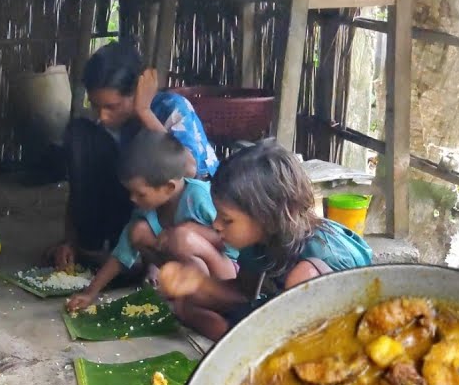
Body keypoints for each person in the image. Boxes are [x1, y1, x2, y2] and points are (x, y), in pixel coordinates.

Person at [159, 140, 373, 341]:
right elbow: (244, 293)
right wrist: (196, 284)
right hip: (283, 310)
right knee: (186, 306)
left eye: (227, 219)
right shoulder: (260, 239)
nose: (216, 224)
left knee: (299, 281)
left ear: (266, 216)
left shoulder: (318, 260)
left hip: (342, 330)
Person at [47, 41, 218, 272]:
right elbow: (81, 184)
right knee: (79, 133)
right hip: (135, 211)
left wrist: (144, 112)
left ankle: (150, 263)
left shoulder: (172, 108)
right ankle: (90, 247)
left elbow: (189, 169)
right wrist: (69, 238)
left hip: (185, 219)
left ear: (137, 91)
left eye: (112, 106)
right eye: (97, 107)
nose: (103, 117)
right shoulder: (103, 127)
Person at [64, 131, 237, 325]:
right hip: (185, 276)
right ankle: (190, 303)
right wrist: (90, 292)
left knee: (181, 238)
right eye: (130, 192)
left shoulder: (198, 197)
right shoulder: (148, 209)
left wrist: (192, 231)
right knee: (138, 231)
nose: (132, 199)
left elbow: (232, 245)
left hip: (224, 274)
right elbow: (120, 254)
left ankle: (212, 306)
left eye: (140, 194)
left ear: (168, 188)